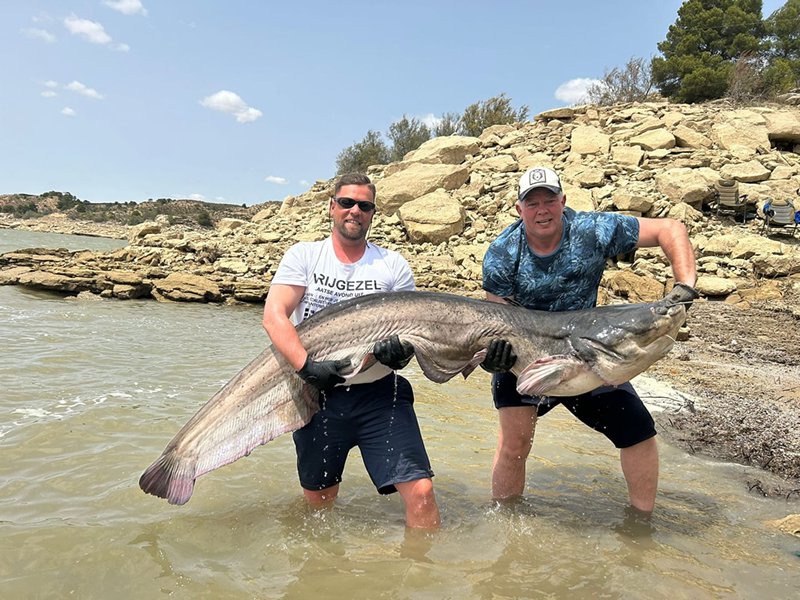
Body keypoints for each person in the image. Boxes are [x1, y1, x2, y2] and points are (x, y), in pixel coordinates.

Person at [480, 166, 698, 514]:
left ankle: (641, 523)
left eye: (549, 200)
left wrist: (684, 285)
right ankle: (505, 518)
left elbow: (671, 228)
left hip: (590, 351)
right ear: (518, 209)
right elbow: (498, 322)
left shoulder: (592, 229)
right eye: (531, 203)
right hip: (527, 358)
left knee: (638, 432)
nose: (542, 210)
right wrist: (495, 357)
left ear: (563, 201)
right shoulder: (502, 254)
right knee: (514, 445)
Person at [262, 172, 441, 529]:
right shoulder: (305, 256)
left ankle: (422, 577)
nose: (354, 211)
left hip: (381, 396)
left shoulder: (392, 266)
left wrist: (400, 354)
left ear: (373, 213)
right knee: (319, 506)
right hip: (317, 396)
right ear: (332, 207)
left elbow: (413, 332)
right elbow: (274, 316)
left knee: (421, 492)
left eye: (364, 205)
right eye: (346, 202)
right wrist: (307, 366)